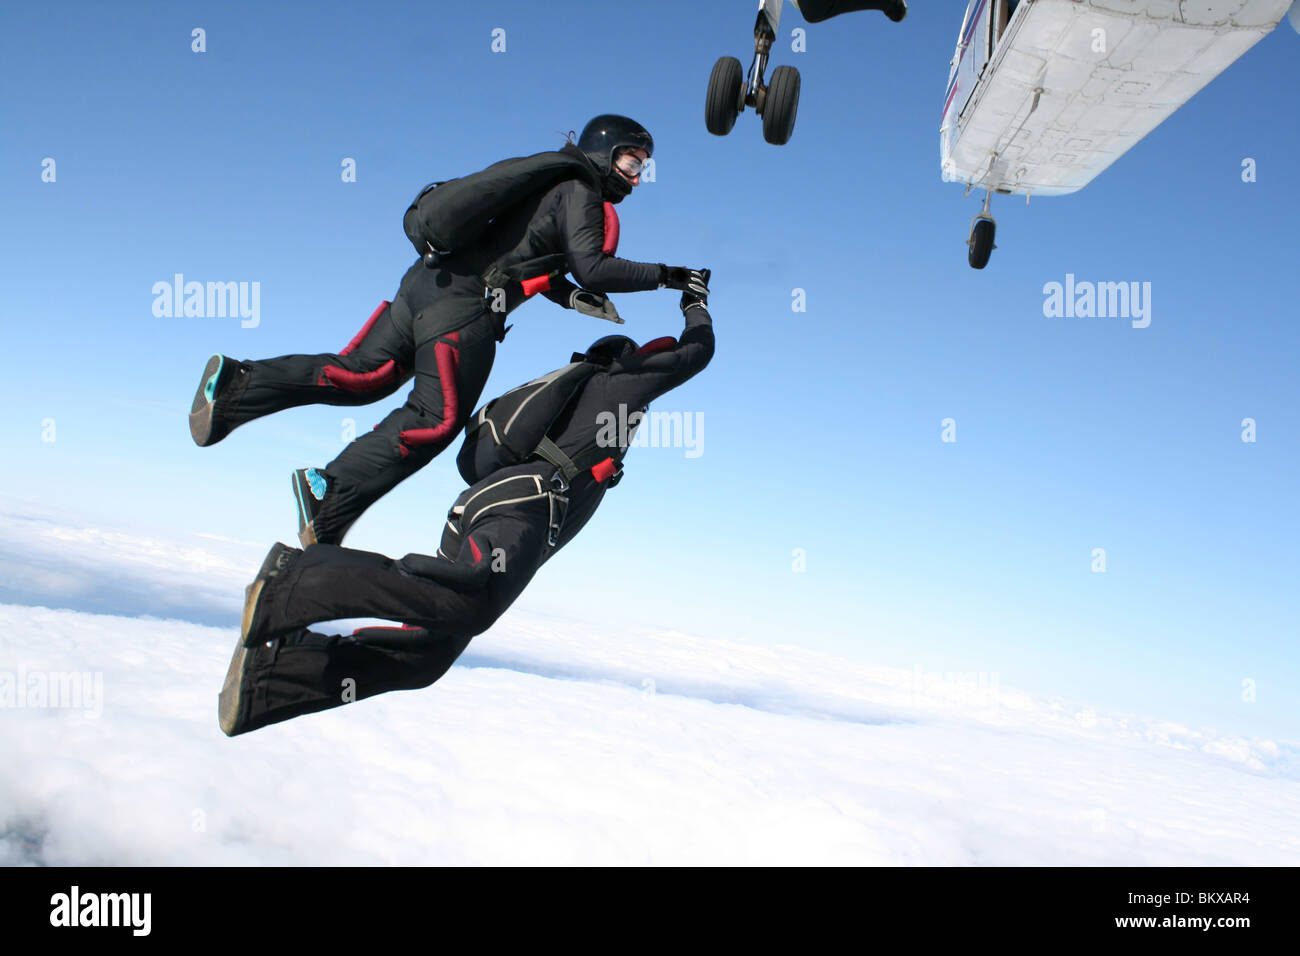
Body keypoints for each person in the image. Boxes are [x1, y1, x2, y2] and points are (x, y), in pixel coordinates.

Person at [217, 276, 715, 737]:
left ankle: (268, 679)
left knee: (428, 655)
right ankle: (298, 580)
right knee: (473, 602)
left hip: (486, 508)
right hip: (520, 505)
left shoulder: (586, 396)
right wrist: (696, 303)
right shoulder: (618, 385)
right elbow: (697, 352)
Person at [189, 113, 708, 548]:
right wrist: (670, 277)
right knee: (435, 420)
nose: (638, 177)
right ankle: (330, 493)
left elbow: (529, 260)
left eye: (643, 166)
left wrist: (572, 297)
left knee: (362, 374)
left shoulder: (548, 181)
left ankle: (237, 388)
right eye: (632, 162)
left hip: (426, 285)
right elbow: (593, 266)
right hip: (465, 313)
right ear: (604, 151)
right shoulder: (582, 193)